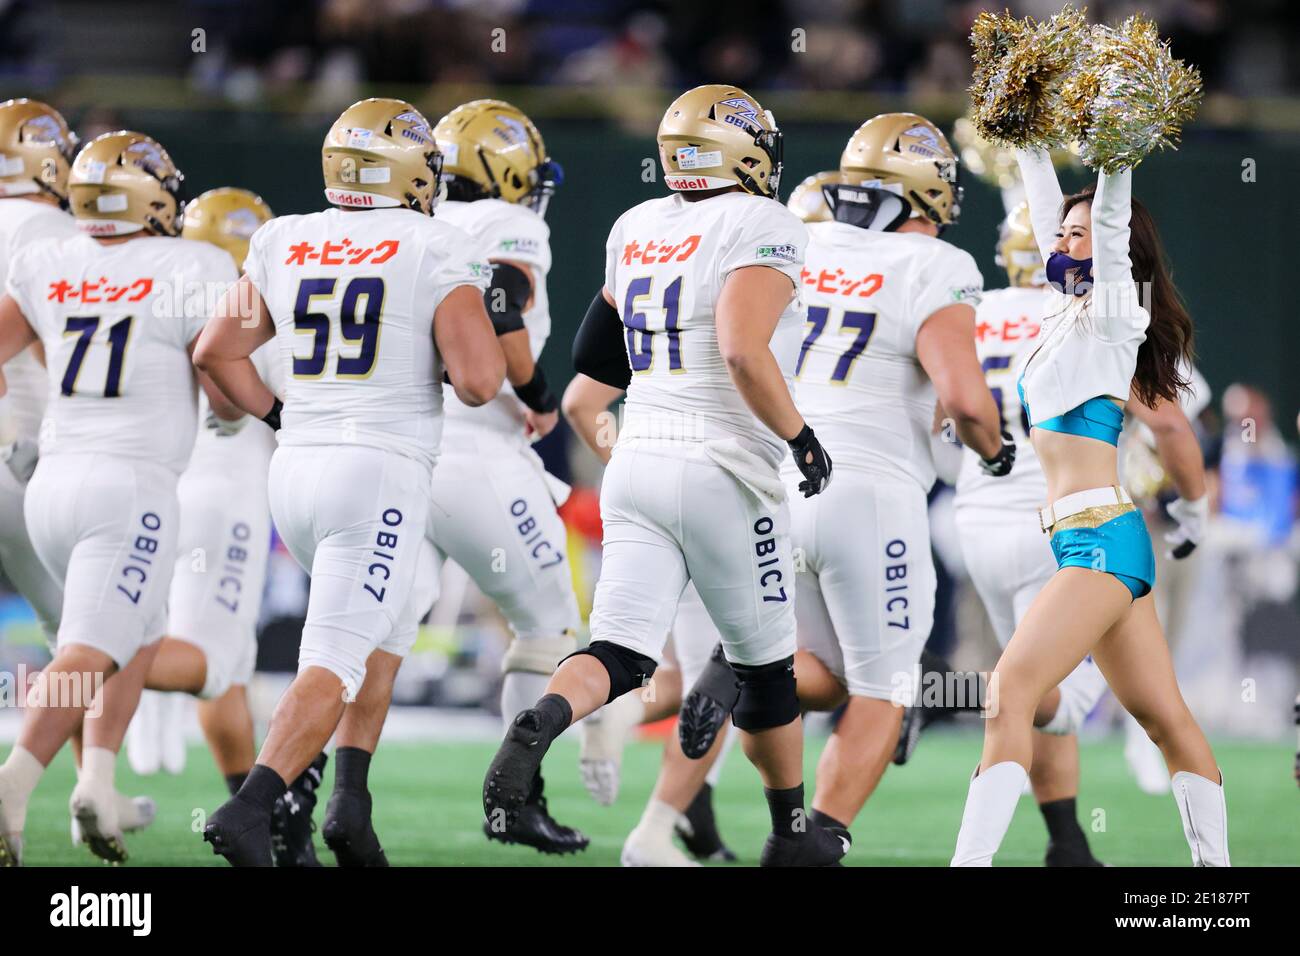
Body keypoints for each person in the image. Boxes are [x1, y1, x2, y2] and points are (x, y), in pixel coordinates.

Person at [482, 84, 846, 867]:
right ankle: (790, 833)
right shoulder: (764, 221)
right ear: (742, 152)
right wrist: (802, 437)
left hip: (637, 455)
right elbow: (745, 348)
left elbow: (592, 360)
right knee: (768, 675)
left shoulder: (637, 223)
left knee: (620, 651)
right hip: (722, 466)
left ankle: (540, 722)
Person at [194, 97, 504, 866]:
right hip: (379, 473)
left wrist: (277, 416)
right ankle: (256, 808)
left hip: (296, 469)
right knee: (334, 657)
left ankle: (349, 804)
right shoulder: (437, 243)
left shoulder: (283, 237)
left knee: (388, 627)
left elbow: (214, 352)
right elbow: (477, 381)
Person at [950, 145, 1229, 866]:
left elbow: (1107, 219)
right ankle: (1218, 878)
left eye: (1082, 236)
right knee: (1164, 718)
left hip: (1100, 536)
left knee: (1011, 687)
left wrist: (1117, 147)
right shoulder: (1061, 308)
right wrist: (1031, 142)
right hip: (1092, 538)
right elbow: (1055, 220)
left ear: (1115, 253)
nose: (1065, 242)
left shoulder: (1114, 315)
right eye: (1061, 235)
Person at [0, 129, 237, 865]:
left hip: (51, 482)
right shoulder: (196, 261)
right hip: (129, 484)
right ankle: (10, 789)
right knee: (89, 649)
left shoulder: (49, 257)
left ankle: (97, 785)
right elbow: (221, 377)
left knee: (125, 638)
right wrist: (259, 410)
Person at [777, 113, 1012, 842]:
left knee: (827, 670)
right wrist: (995, 451)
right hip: (875, 490)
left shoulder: (803, 244)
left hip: (786, 482)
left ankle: (745, 676)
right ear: (924, 190)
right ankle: (817, 843)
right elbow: (967, 398)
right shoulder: (934, 265)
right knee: (893, 686)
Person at [421, 99, 586, 854]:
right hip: (476, 454)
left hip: (398, 450)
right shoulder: (509, 225)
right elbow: (500, 305)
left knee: (370, 640)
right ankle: (517, 797)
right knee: (549, 625)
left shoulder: (416, 223)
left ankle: (318, 798)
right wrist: (542, 397)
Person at [562, 371, 739, 866]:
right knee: (729, 677)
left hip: (650, 494)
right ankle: (657, 831)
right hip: (726, 500)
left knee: (693, 675)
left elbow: (579, 402)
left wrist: (628, 470)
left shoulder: (645, 300)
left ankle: (628, 715)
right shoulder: (746, 308)